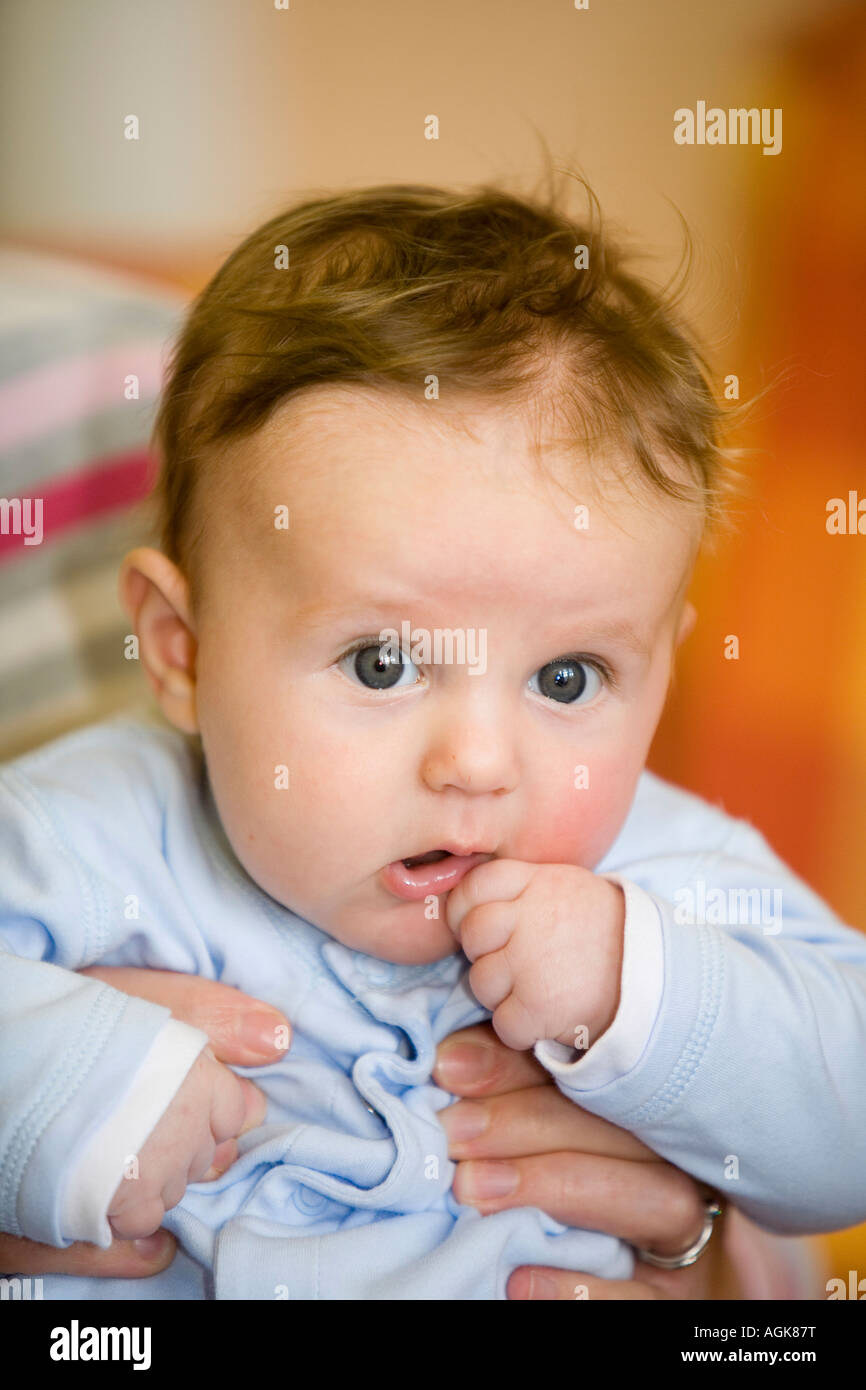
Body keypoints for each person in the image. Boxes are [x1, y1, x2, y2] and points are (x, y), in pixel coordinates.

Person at [1, 178, 863, 1299]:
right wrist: (66, 1072)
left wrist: (644, 993)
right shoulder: (102, 833)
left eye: (567, 676)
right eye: (380, 663)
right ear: (182, 651)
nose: (478, 762)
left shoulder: (668, 881)